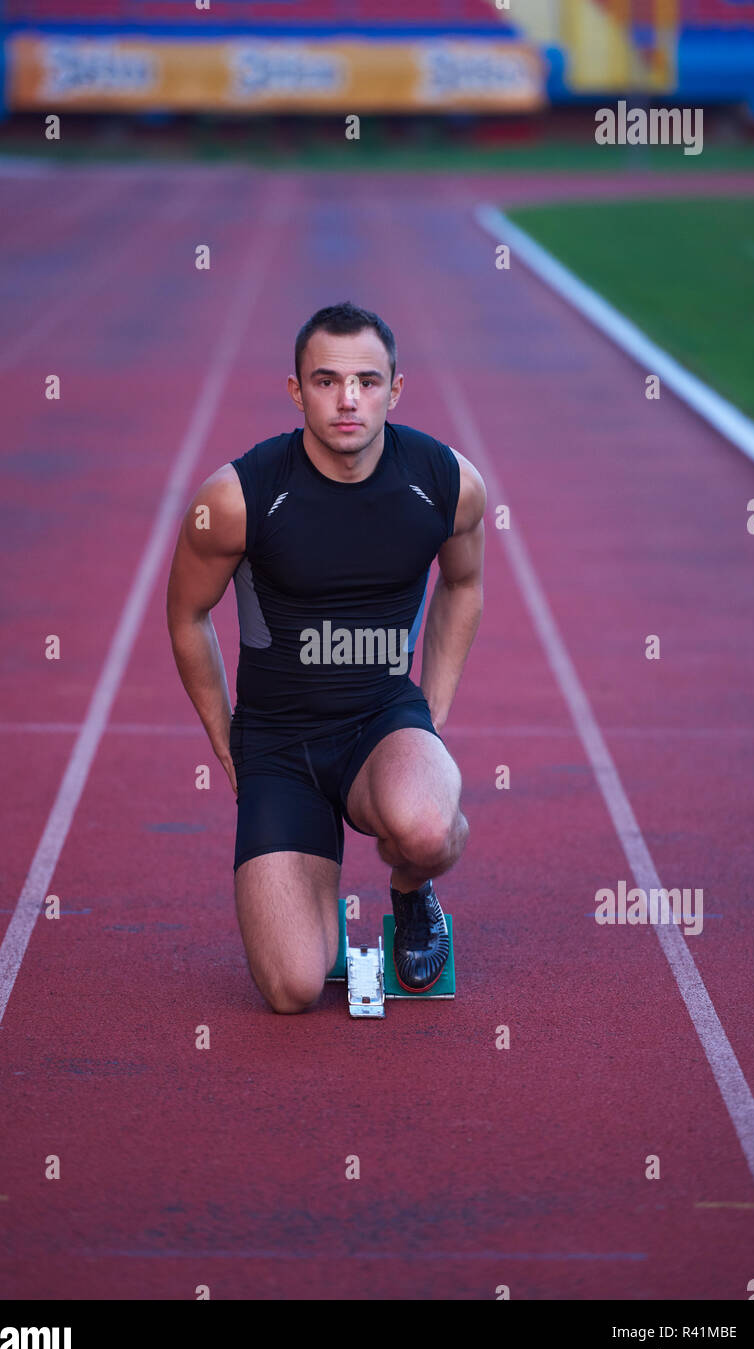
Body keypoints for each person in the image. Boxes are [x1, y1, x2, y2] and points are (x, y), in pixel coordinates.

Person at [166, 302, 485, 1013]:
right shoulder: (236, 497)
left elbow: (463, 586)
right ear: (295, 389)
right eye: (326, 380)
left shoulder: (445, 481)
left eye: (368, 381)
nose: (348, 399)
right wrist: (226, 740)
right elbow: (186, 615)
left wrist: (429, 714)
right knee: (292, 989)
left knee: (428, 827)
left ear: (395, 390)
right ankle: (309, 893)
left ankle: (408, 893)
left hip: (379, 719)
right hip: (279, 744)